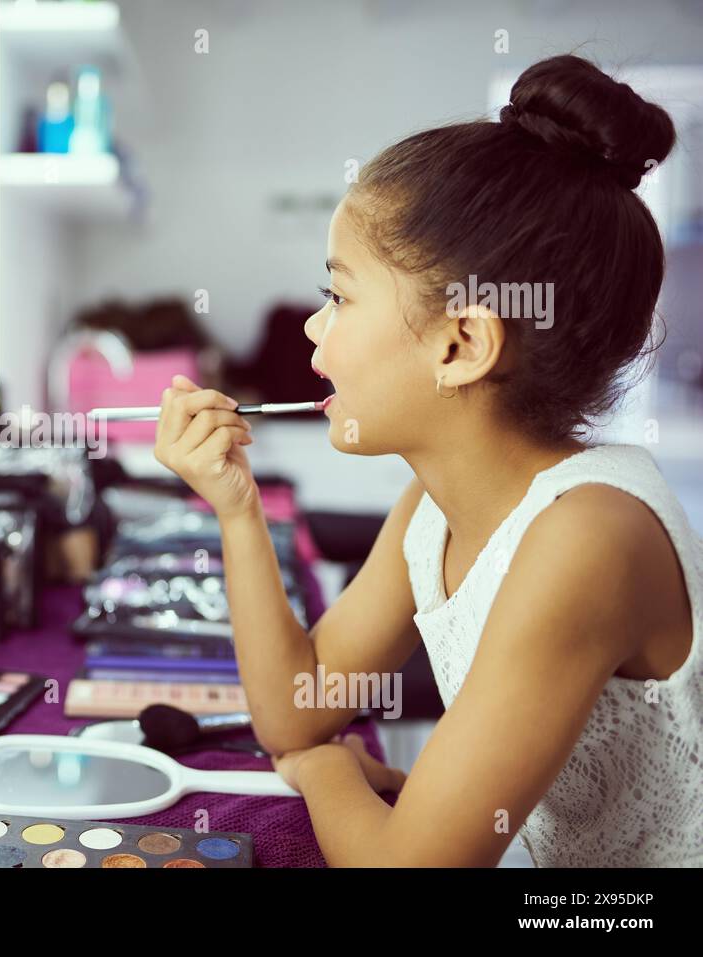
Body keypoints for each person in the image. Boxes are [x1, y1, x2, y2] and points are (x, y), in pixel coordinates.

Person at [154, 55, 701, 866]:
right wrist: (235, 505)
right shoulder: (435, 503)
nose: (312, 329)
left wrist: (330, 769)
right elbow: (301, 709)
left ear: (462, 344)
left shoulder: (588, 539)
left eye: (338, 296)